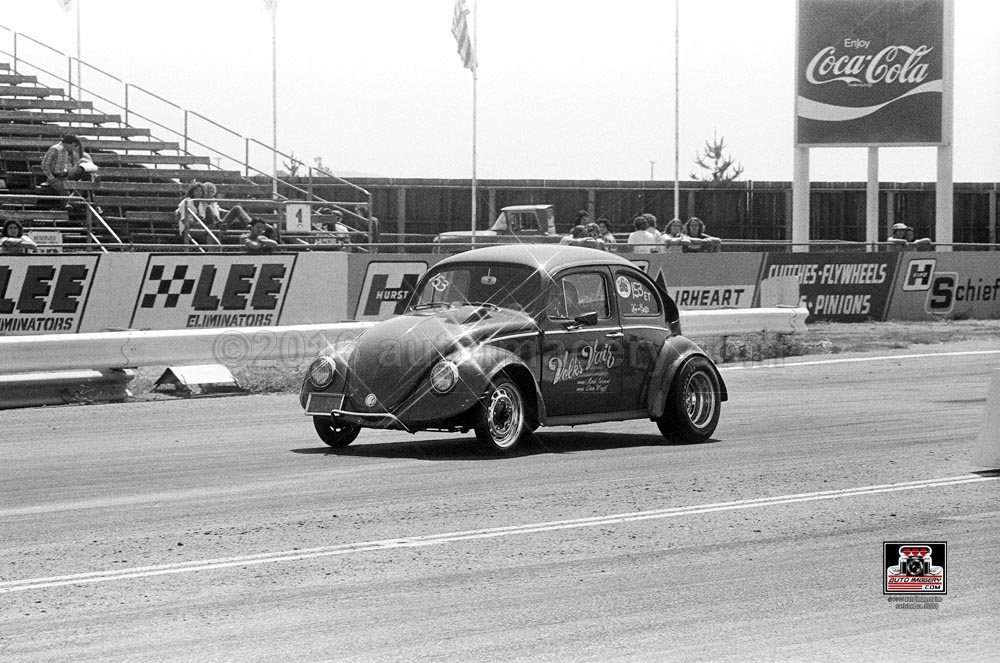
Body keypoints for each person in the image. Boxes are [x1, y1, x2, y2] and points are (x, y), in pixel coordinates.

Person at [40, 134, 97, 199]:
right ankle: (70, 203)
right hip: (55, 177)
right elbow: (44, 165)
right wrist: (52, 179)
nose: (74, 148)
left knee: (85, 177)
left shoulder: (65, 151)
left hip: (64, 176)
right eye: (74, 145)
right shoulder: (55, 149)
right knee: (64, 192)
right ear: (71, 144)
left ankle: (71, 202)